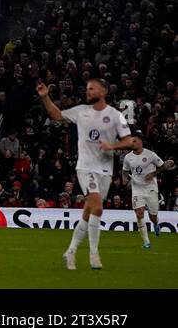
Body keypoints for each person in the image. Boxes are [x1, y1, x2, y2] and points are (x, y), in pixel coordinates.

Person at [38, 79, 139, 270]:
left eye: (91, 89)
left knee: (88, 212)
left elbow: (130, 141)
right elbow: (57, 115)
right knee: (98, 207)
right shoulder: (81, 110)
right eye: (87, 89)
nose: (88, 92)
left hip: (105, 170)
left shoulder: (116, 115)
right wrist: (45, 98)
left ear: (103, 91)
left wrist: (113, 145)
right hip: (85, 167)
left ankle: (71, 251)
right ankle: (94, 255)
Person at [121, 146, 173, 249]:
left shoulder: (150, 154)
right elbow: (125, 171)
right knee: (139, 213)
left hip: (151, 189)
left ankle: (156, 223)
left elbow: (162, 166)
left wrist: (153, 174)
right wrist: (125, 178)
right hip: (137, 189)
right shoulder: (128, 157)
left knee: (152, 217)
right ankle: (146, 242)